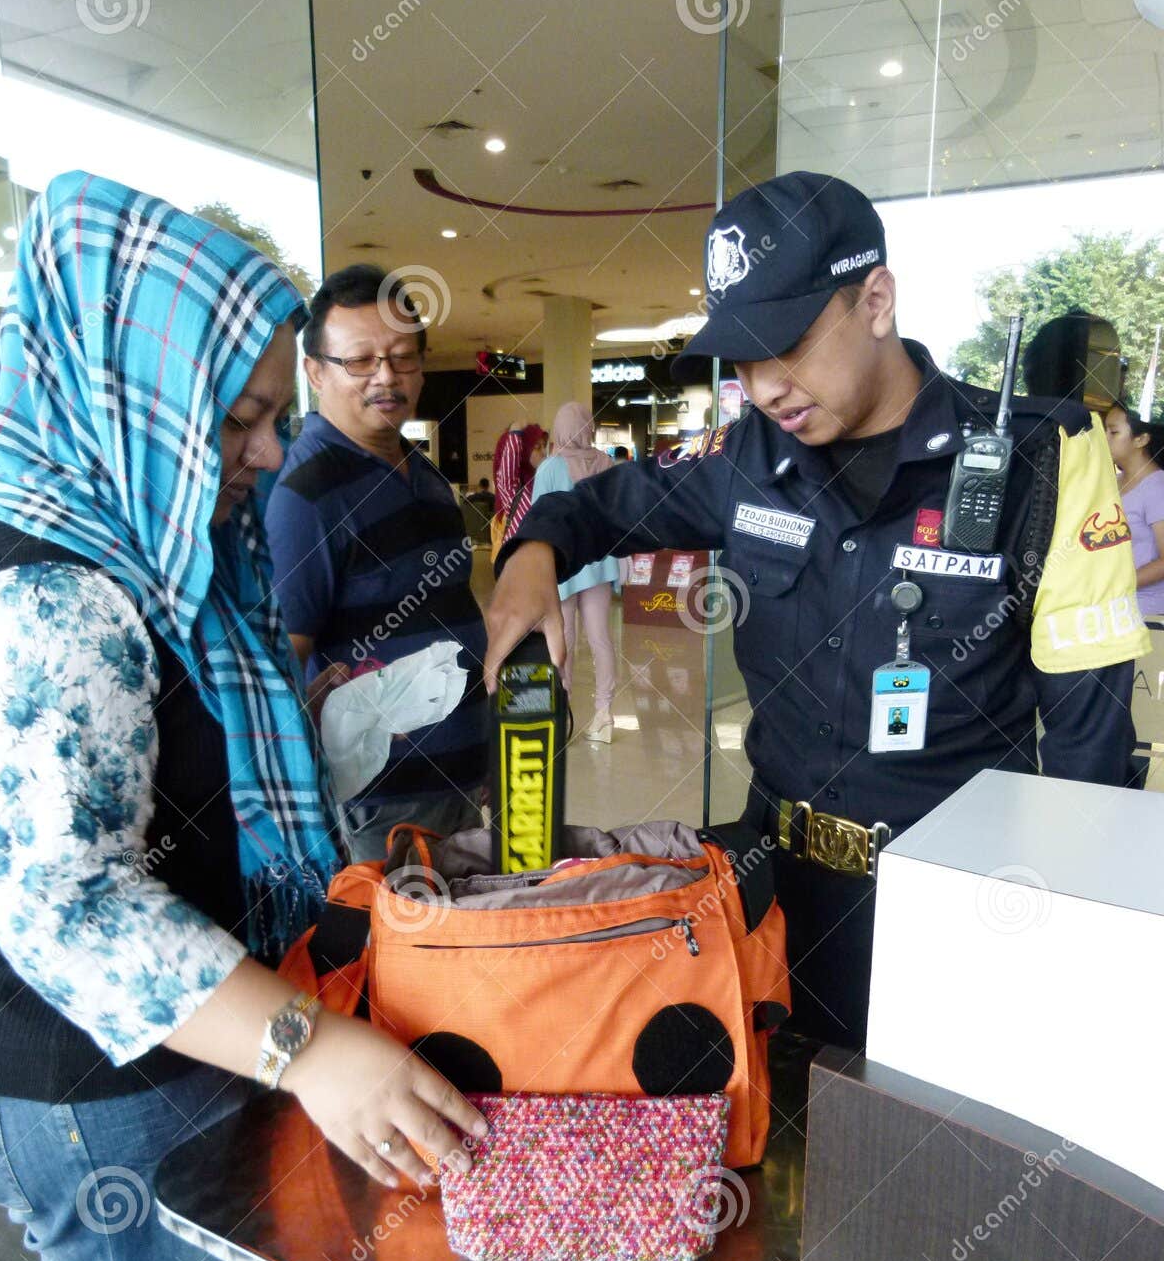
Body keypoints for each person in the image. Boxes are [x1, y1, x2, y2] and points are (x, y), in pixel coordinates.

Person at [0, 174, 485, 1261]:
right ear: (136, 394)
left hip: (146, 1046)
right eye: (239, 419)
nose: (261, 452)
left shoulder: (141, 542)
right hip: (82, 1077)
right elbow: (66, 902)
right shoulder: (49, 595)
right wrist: (315, 1047)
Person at [487, 170, 1147, 1053]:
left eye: (787, 344)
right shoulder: (749, 458)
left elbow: (1088, 752)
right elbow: (602, 507)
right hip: (771, 898)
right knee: (778, 1147)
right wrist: (531, 555)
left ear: (876, 299)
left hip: (952, 907)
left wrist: (1062, 946)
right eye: (743, 358)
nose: (764, 385)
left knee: (914, 1165)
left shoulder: (1040, 462)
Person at [264, 264, 488, 861]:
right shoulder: (307, 496)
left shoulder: (425, 474)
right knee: (399, 952)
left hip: (462, 785)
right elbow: (289, 662)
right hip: (383, 807)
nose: (386, 377)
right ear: (314, 372)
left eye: (402, 357)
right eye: (359, 361)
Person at [532, 403, 620, 742]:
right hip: (598, 561)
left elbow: (538, 524)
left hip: (564, 563)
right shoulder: (606, 463)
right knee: (600, 637)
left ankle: (561, 711)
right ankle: (604, 713)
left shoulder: (550, 468)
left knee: (562, 639)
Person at [1104, 400, 1164, 619]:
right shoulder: (1111, 482)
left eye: (1113, 432)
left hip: (1145, 614)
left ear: (1141, 439)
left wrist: (1114, 585)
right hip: (1108, 610)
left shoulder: (1157, 488)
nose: (1105, 438)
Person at [491, 422, 547, 553]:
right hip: (519, 561)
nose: (544, 453)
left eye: (544, 446)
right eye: (537, 447)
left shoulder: (541, 482)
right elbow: (508, 468)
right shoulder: (512, 489)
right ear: (523, 451)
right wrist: (515, 435)